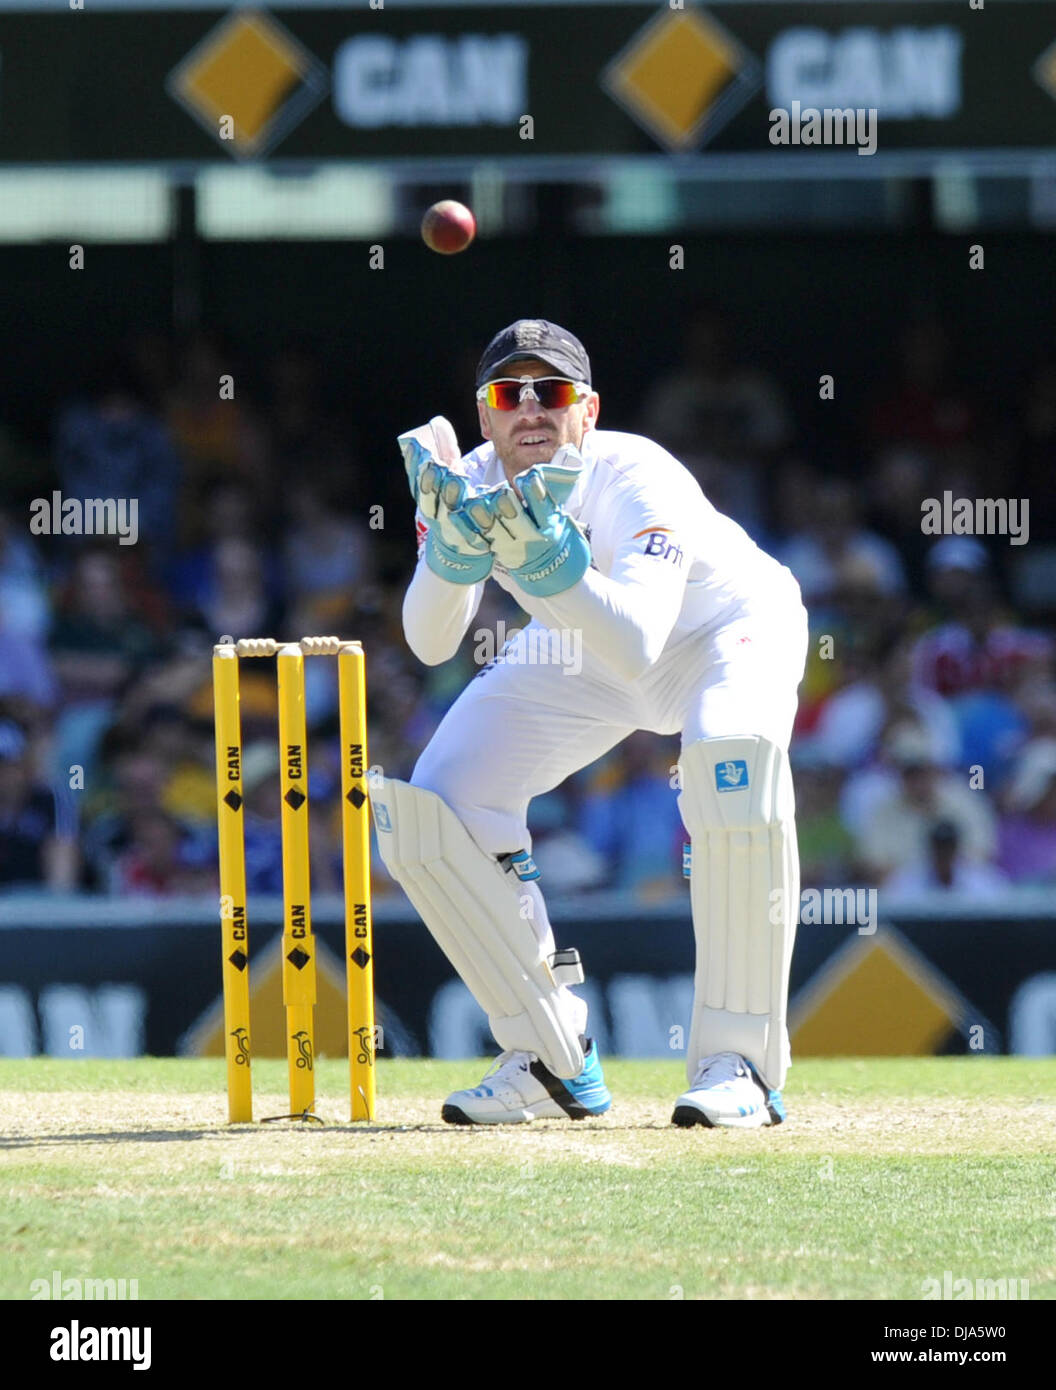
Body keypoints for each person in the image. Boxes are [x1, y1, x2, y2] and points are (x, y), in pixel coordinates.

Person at [372, 319, 808, 1128]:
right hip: (584, 645)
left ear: (589, 410)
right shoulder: (464, 482)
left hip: (726, 631)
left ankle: (741, 1064)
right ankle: (548, 1058)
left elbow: (641, 640)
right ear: (485, 415)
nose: (531, 408)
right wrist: (452, 555)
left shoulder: (639, 475)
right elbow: (429, 640)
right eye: (511, 393)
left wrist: (546, 563)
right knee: (435, 806)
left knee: (729, 766)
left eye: (553, 392)